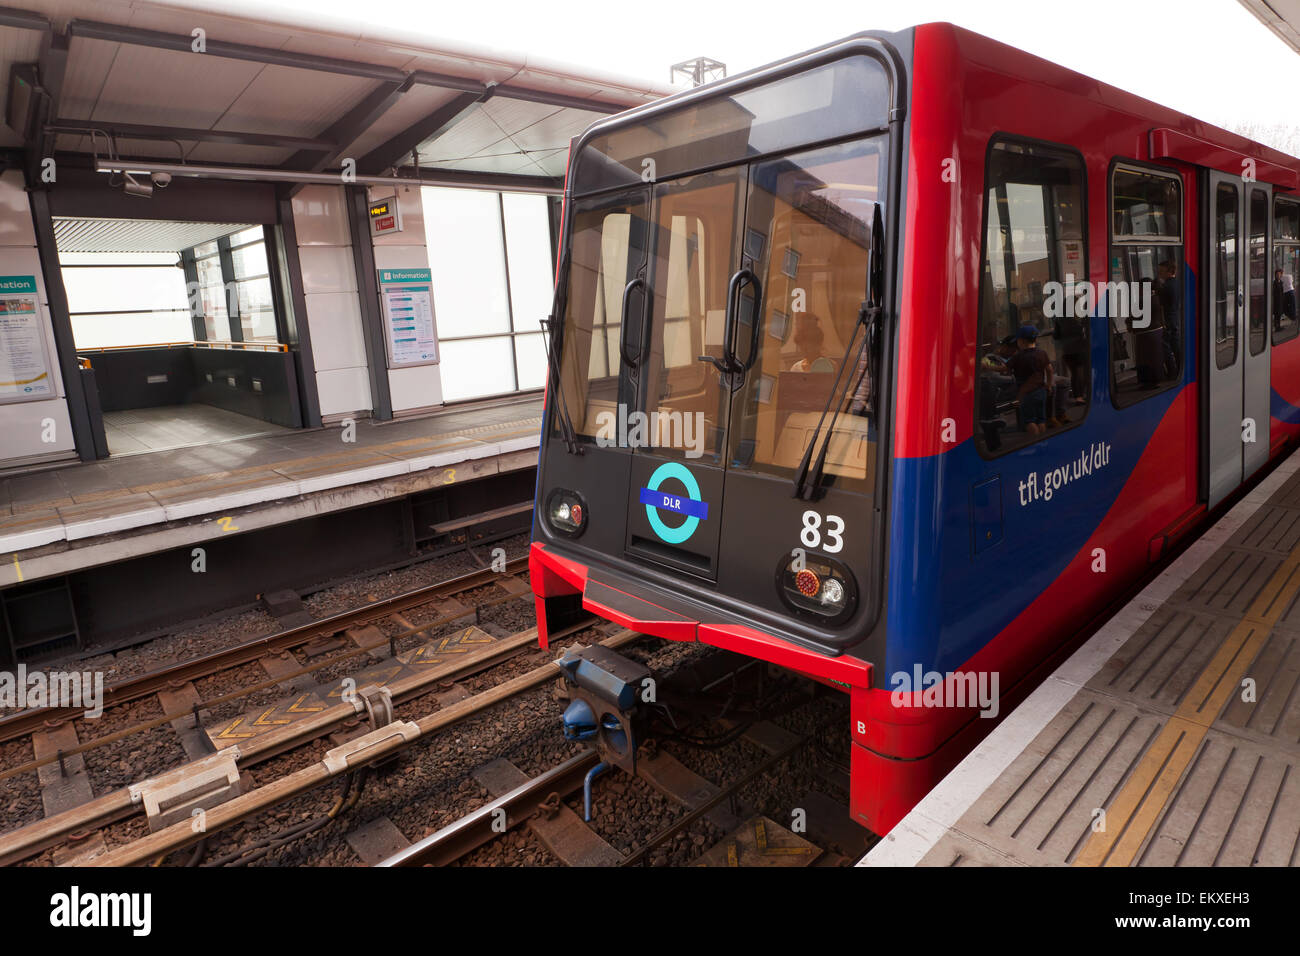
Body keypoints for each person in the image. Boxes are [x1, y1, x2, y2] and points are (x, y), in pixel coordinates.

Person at [1007, 325, 1050, 437]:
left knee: (1029, 421)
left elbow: (1005, 368)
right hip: (1041, 391)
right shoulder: (1042, 353)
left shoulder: (1018, 356)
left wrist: (987, 366)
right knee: (1041, 420)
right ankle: (1043, 442)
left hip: (1026, 394)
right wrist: (1049, 385)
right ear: (1035, 339)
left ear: (1021, 341)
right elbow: (1050, 369)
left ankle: (1036, 443)